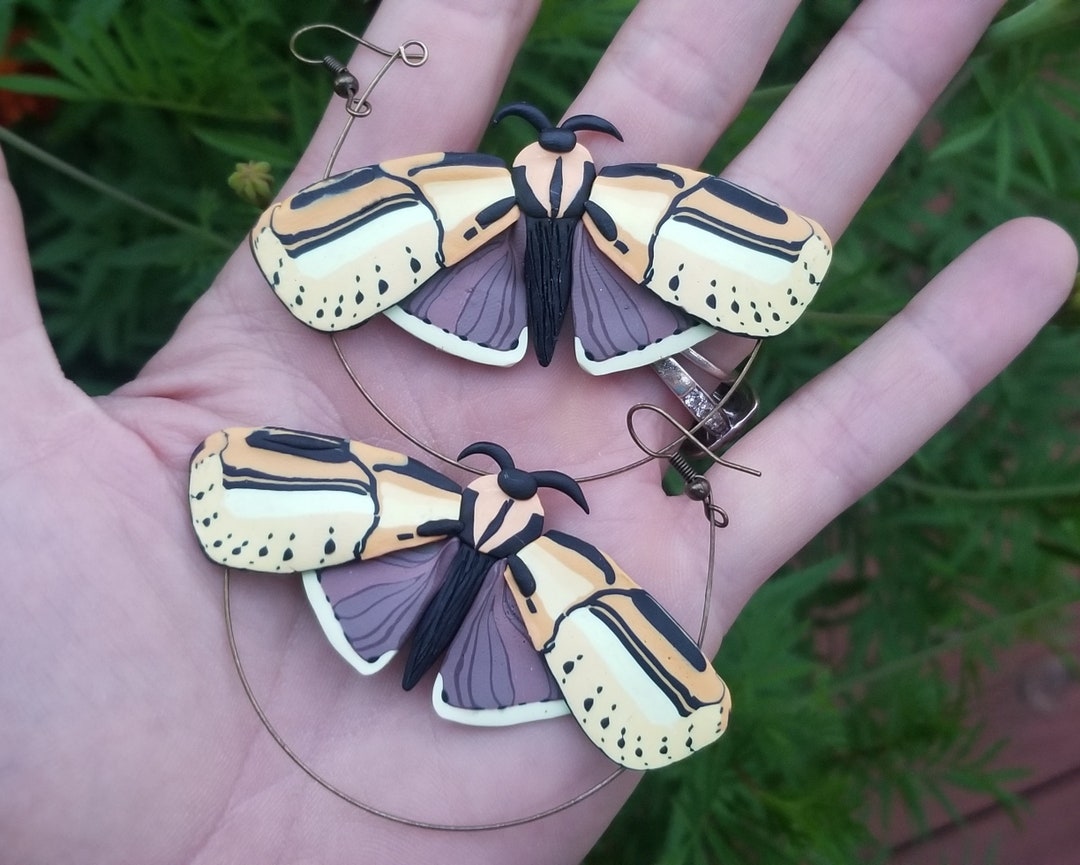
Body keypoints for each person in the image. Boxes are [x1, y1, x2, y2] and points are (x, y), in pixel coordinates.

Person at [1, 1, 1075, 863]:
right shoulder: (566, 556)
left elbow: (255, 466)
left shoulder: (446, 278)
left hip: (468, 352)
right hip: (602, 311)